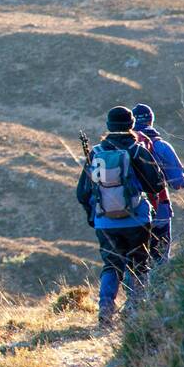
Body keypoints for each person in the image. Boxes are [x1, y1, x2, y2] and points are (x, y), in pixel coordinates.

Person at [76, 106, 165, 327]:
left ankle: (105, 313)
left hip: (105, 222)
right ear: (131, 125)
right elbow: (156, 185)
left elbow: (82, 193)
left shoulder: (95, 154)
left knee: (111, 265)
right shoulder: (137, 151)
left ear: (108, 126)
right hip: (138, 220)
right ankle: (135, 311)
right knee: (139, 265)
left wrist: (92, 216)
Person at [131, 103, 184, 266]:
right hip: (159, 211)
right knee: (159, 262)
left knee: (135, 264)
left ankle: (136, 292)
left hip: (130, 212)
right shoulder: (161, 146)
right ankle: (157, 291)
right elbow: (177, 182)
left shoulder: (124, 148)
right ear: (151, 121)